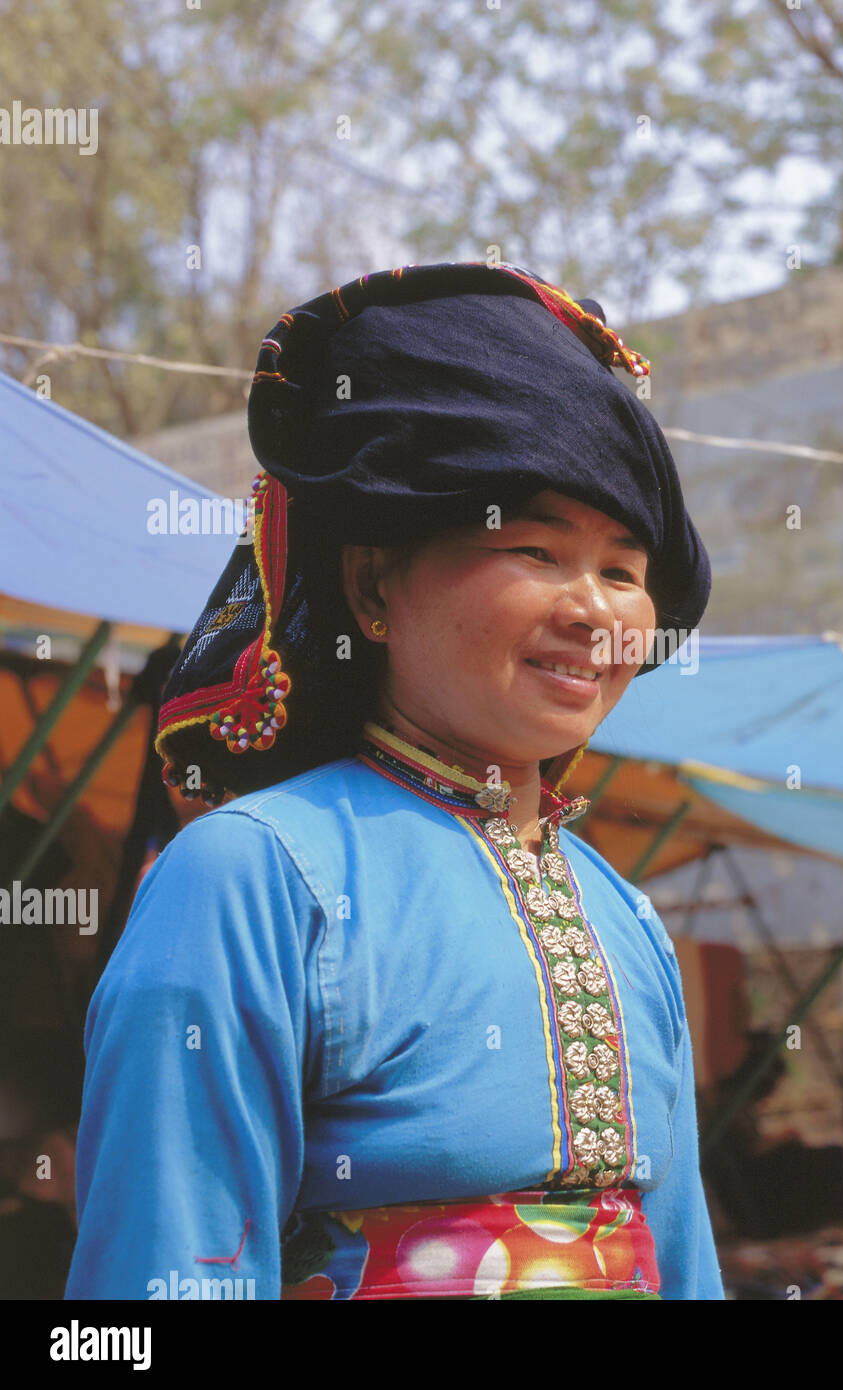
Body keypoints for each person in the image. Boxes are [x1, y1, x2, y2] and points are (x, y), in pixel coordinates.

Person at [65, 262, 723, 1300]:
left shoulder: (625, 915)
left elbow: (682, 1265)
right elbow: (164, 1268)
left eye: (622, 570)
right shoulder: (246, 877)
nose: (593, 610)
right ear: (374, 584)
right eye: (535, 549)